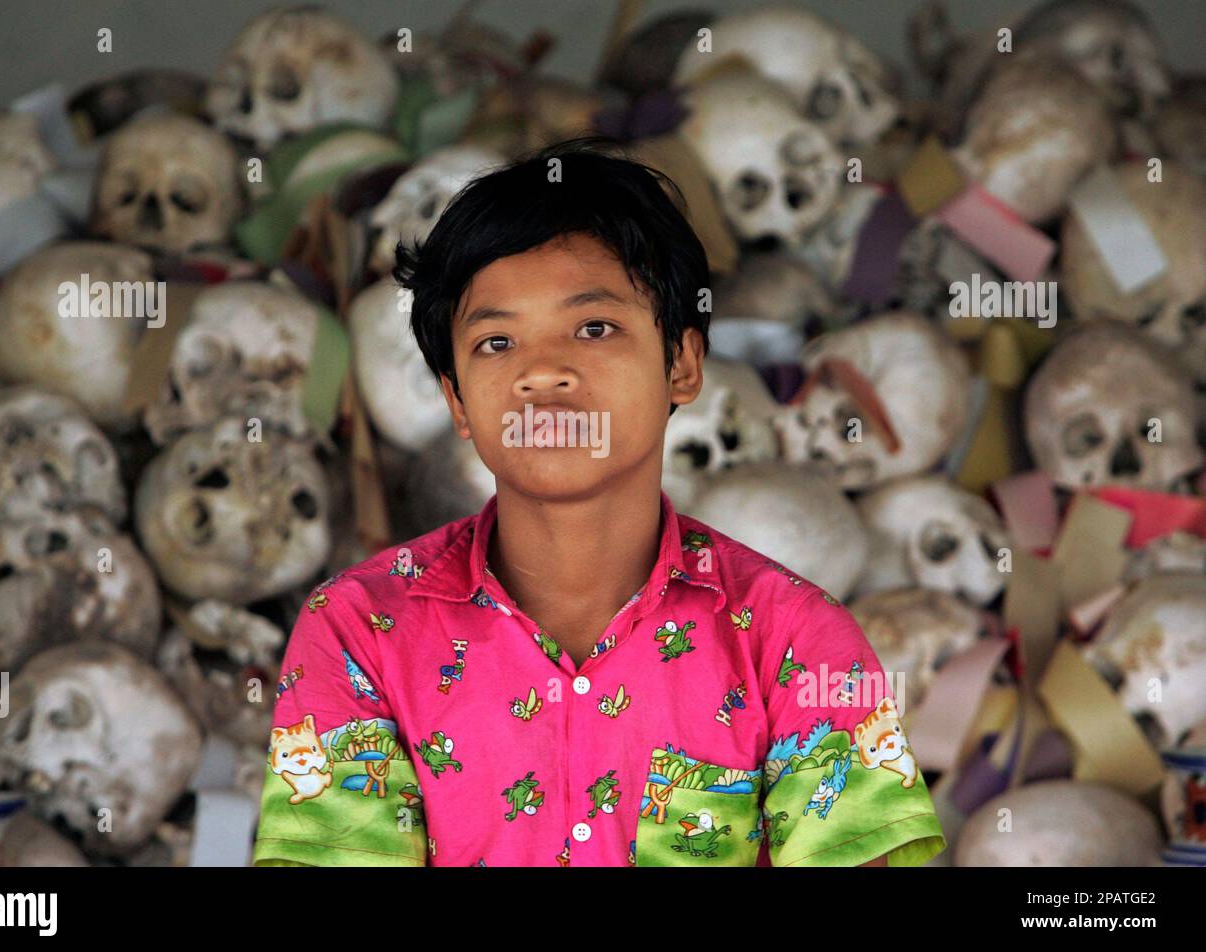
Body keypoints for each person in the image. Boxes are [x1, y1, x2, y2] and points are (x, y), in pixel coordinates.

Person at [252, 137, 946, 867]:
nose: (542, 372)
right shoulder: (362, 633)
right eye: (495, 342)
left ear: (681, 364)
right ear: (456, 400)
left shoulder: (795, 640)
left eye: (594, 327)